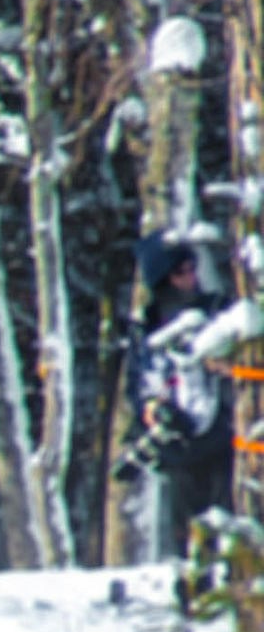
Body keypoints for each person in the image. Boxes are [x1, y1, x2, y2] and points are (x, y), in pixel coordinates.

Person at [127, 236, 232, 566]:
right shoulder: (147, 326)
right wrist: (154, 411)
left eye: (192, 269)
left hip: (224, 441)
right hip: (178, 449)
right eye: (179, 272)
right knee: (185, 535)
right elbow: (139, 383)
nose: (190, 278)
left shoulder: (217, 312)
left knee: (228, 525)